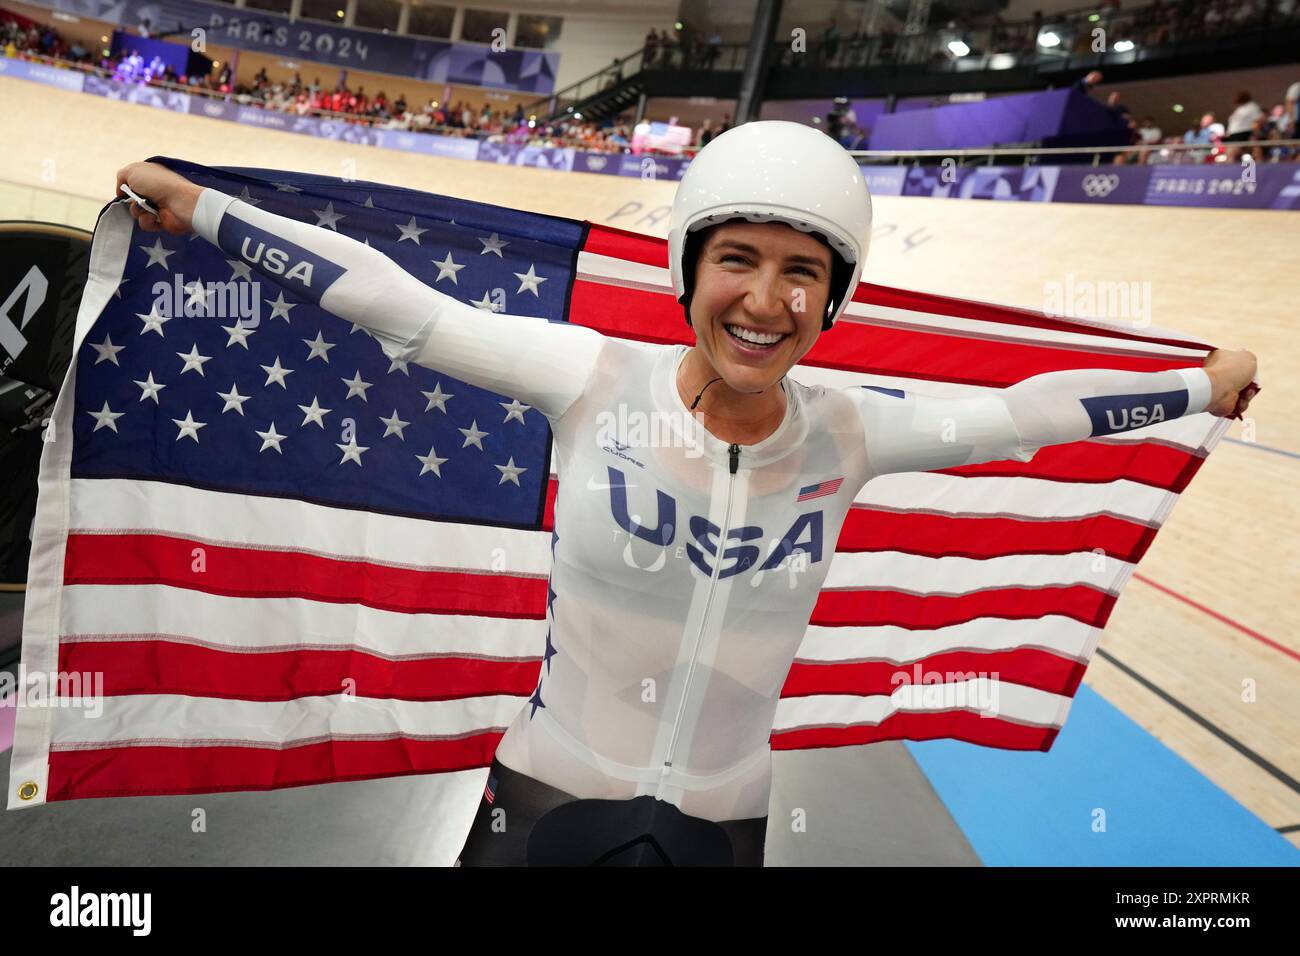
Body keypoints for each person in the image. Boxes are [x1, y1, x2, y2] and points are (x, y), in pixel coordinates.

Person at [113, 121, 1259, 867]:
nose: (765, 299)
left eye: (801, 270)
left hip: (727, 816)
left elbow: (1032, 411)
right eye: (739, 260)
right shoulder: (592, 380)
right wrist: (207, 208)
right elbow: (401, 307)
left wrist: (1194, 385)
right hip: (548, 793)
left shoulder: (858, 428)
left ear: (831, 297)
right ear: (689, 271)